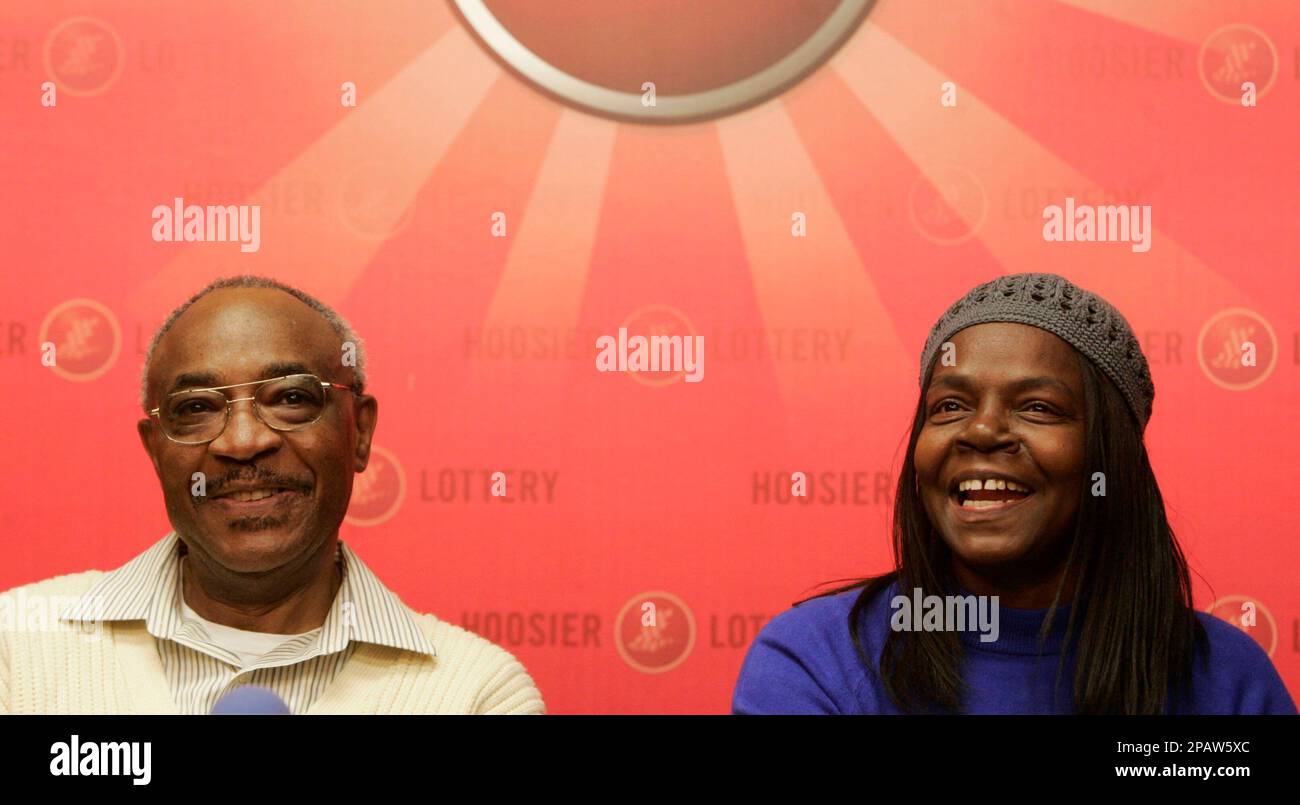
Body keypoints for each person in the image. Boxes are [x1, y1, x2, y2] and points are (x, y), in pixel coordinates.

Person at [732, 272, 1296, 715]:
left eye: (1037, 407)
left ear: (1110, 458)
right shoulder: (815, 661)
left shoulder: (1226, 678)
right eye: (949, 405)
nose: (981, 431)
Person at [0, 275, 545, 714]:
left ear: (360, 431)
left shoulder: (474, 695)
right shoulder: (15, 649)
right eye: (197, 408)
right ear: (154, 449)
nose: (242, 442)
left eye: (289, 397)